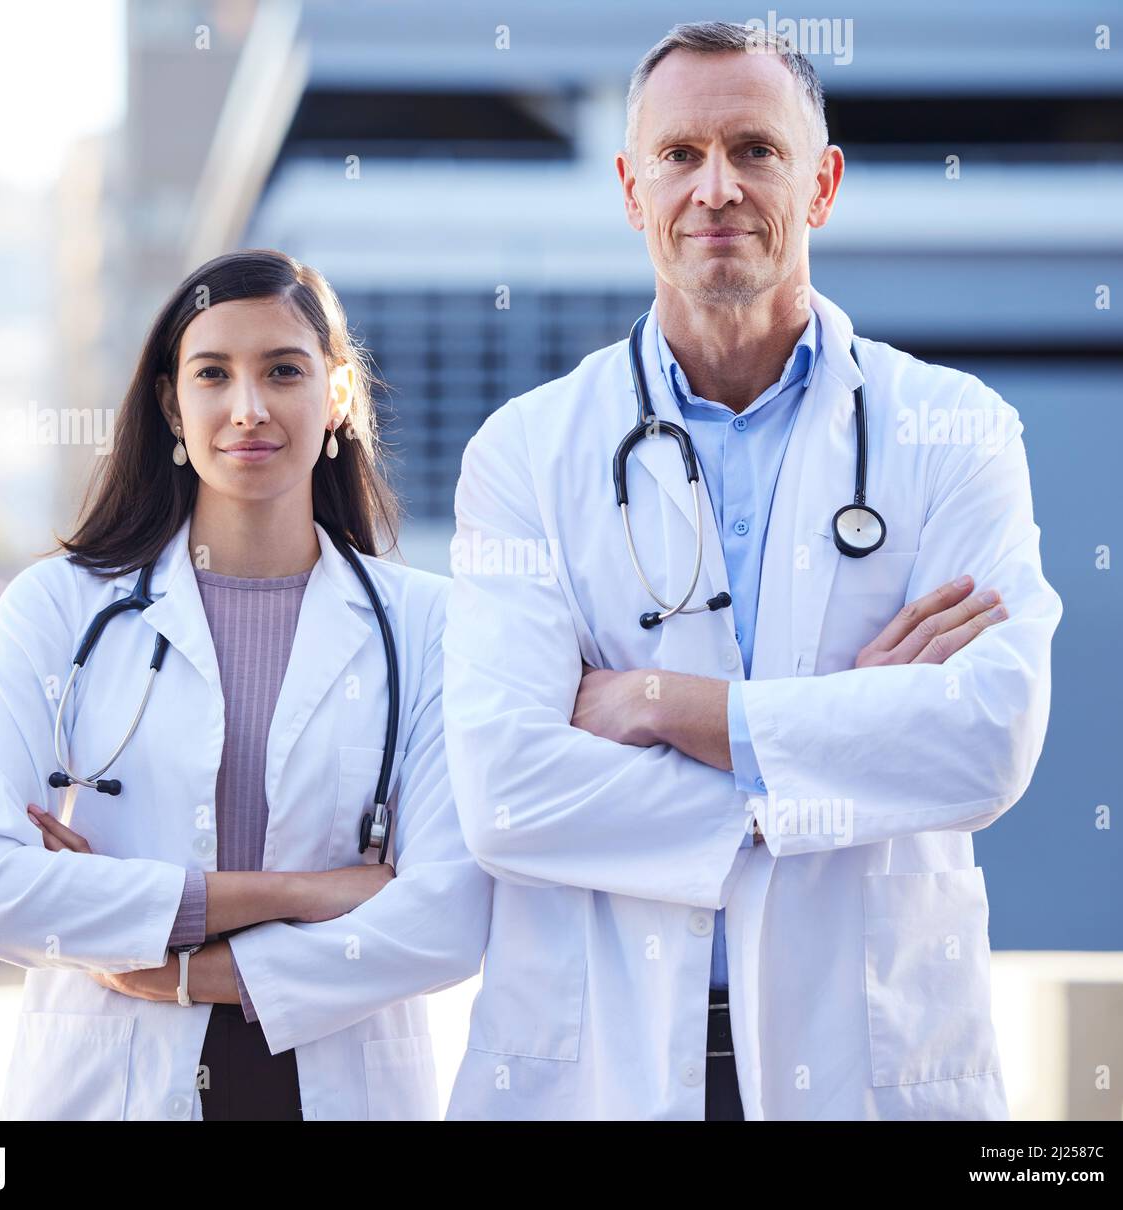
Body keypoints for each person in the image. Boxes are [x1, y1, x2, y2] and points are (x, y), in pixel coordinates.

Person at [441, 22, 1062, 1120]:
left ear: (820, 184)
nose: (715, 187)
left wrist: (656, 703)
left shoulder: (954, 429)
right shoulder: (525, 452)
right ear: (631, 190)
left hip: (871, 1059)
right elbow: (504, 793)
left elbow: (984, 739)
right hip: (604, 1065)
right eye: (680, 156)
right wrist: (836, 741)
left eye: (754, 151)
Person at [0, 248, 491, 1121]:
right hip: (106, 1090)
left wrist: (181, 968)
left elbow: (447, 917)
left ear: (338, 395)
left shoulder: (430, 625)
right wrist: (306, 891)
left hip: (338, 1088)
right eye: (212, 374)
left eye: (283, 371)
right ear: (173, 402)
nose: (248, 408)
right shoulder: (55, 609)